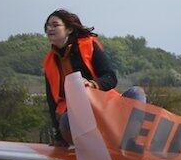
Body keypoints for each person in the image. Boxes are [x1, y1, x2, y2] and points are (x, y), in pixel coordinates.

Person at [42, 9, 121, 147]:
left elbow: (110, 78)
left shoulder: (89, 45)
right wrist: (58, 136)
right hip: (75, 118)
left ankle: (129, 142)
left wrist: (91, 84)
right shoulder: (49, 62)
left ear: (69, 29)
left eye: (55, 25)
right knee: (66, 119)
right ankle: (95, 145)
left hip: (103, 107)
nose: (50, 28)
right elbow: (51, 101)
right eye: (48, 26)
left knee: (136, 93)